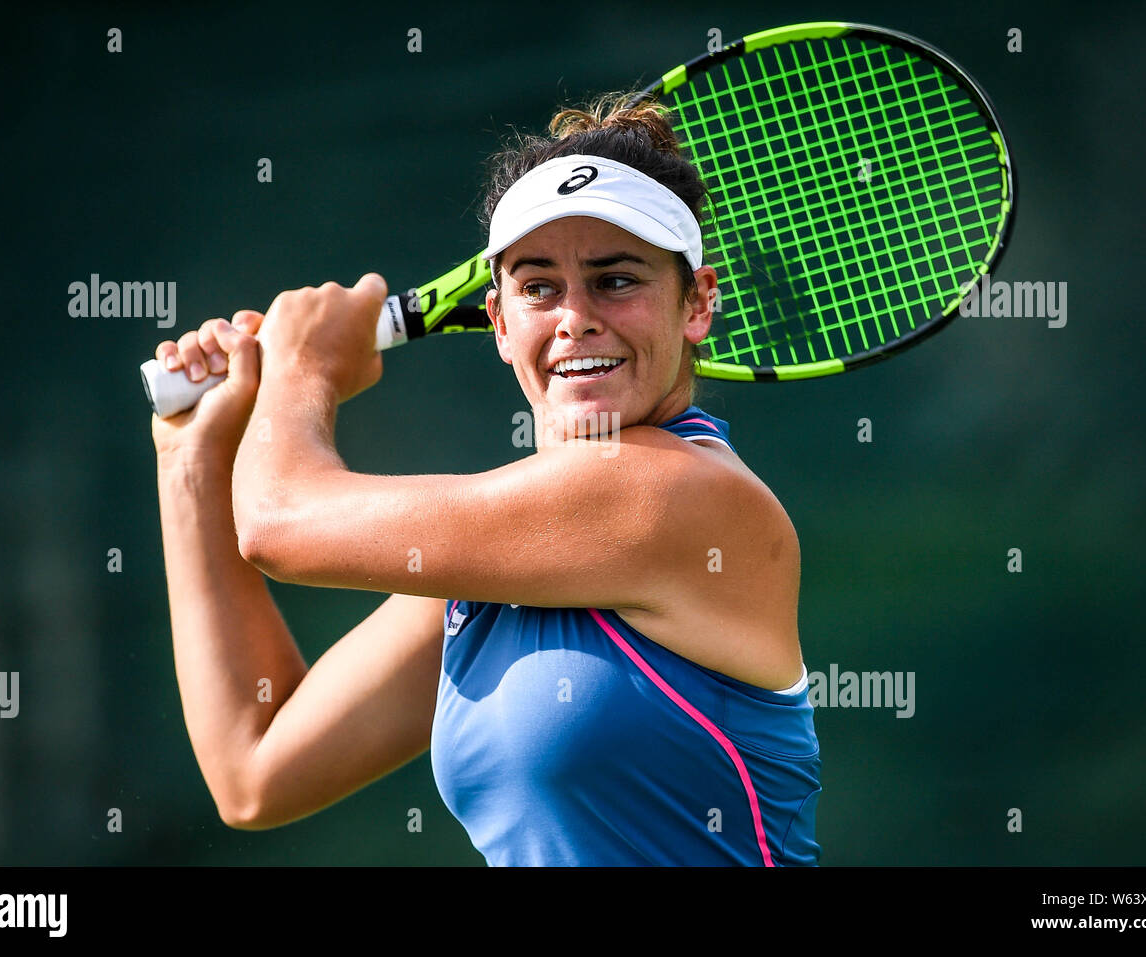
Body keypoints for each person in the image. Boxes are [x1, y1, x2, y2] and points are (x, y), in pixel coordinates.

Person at [150, 95, 820, 866]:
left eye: (615, 280)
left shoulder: (680, 496)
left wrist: (302, 368)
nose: (574, 317)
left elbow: (278, 522)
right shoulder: (501, 562)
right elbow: (254, 769)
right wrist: (190, 458)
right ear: (499, 321)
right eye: (539, 287)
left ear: (697, 302)